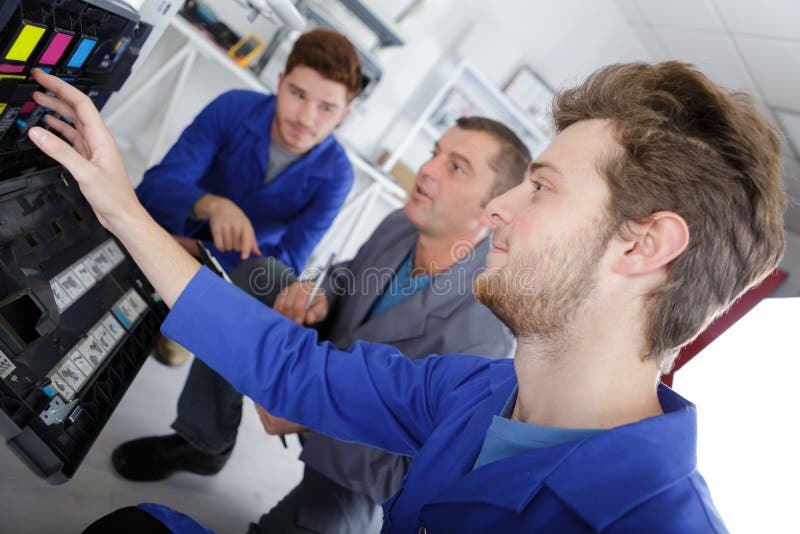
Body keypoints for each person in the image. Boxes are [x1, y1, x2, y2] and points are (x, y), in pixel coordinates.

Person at [29, 59, 786, 532]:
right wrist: (121, 207)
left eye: (543, 189)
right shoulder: (478, 392)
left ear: (643, 244)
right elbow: (295, 370)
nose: (497, 211)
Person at [112, 116, 530, 533]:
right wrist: (319, 293)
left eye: (456, 167)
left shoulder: (487, 331)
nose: (428, 168)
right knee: (264, 277)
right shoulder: (402, 223)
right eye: (434, 153)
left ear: (494, 209)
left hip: (359, 459)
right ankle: (203, 441)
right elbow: (350, 273)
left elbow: (415, 465)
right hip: (325, 363)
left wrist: (313, 413)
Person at [136, 29, 361, 365]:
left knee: (266, 284)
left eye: (327, 107)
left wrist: (202, 254)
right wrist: (210, 205)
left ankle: (181, 322)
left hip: (231, 270)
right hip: (165, 234)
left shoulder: (338, 174)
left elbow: (287, 264)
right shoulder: (233, 107)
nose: (306, 118)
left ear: (344, 114)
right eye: (298, 94)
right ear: (281, 82)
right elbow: (155, 187)